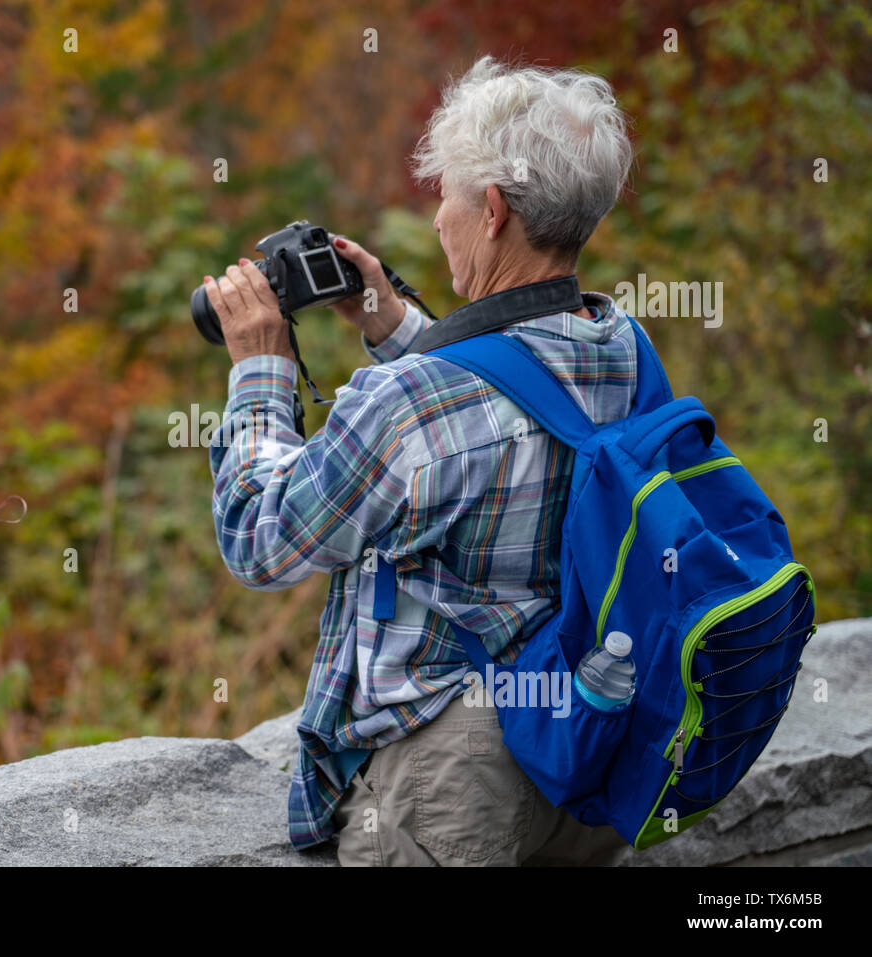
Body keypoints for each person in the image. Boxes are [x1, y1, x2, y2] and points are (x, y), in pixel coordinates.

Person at [203, 56, 640, 866]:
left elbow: (259, 538)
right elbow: (512, 404)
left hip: (457, 788)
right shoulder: (622, 347)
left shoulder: (407, 404)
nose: (439, 218)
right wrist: (396, 323)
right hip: (585, 745)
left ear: (495, 210)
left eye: (446, 194)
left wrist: (261, 368)